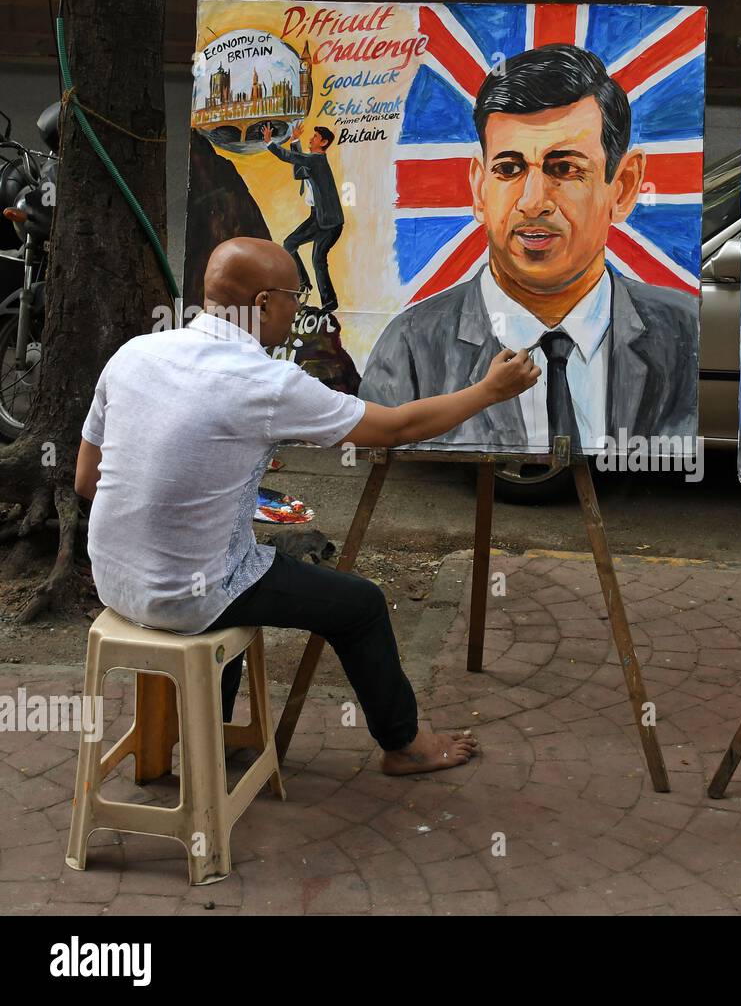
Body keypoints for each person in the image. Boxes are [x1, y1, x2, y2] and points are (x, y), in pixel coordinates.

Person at [75, 237, 540, 773]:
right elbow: (395, 428)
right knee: (359, 606)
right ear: (267, 301)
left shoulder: (135, 352)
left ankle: (211, 738)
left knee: (235, 577)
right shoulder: (267, 383)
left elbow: (88, 480)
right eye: (297, 298)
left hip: (113, 579)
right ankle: (405, 746)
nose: (299, 313)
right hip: (185, 596)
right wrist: (488, 391)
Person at [359, 44, 697, 453]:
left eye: (565, 168)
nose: (533, 201)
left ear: (622, 188)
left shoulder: (686, 334)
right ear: (480, 188)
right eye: (509, 169)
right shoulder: (410, 347)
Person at [261, 122, 343, 313]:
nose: (311, 139)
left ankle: (319, 296)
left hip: (328, 222)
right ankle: (309, 288)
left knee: (312, 256)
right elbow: (298, 171)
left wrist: (270, 143)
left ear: (322, 143)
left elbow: (289, 157)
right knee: (296, 247)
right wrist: (295, 140)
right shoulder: (313, 162)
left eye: (315, 138)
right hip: (321, 218)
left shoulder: (316, 160)